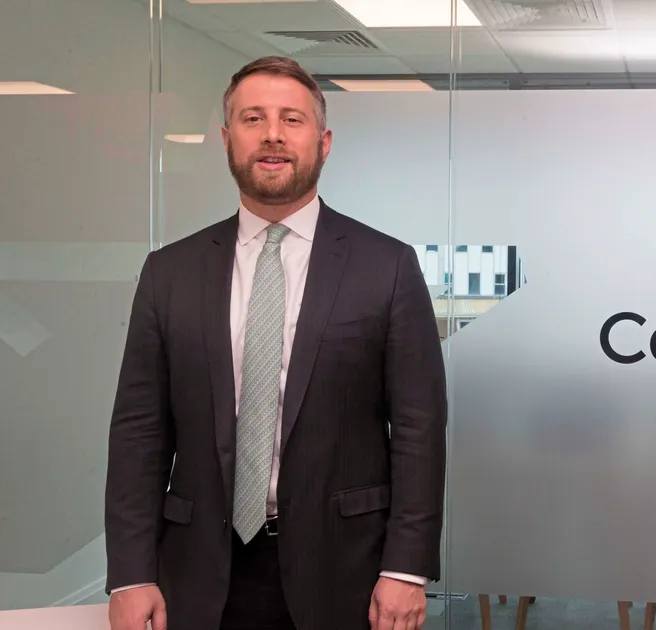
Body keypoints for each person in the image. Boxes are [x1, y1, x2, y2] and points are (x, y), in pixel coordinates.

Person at [103, 56, 447, 630]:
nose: (272, 135)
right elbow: (139, 432)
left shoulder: (387, 266)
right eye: (252, 118)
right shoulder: (169, 272)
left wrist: (406, 568)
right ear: (226, 140)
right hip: (198, 573)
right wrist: (130, 575)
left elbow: (418, 429)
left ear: (323, 142)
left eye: (292, 119)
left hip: (348, 572)